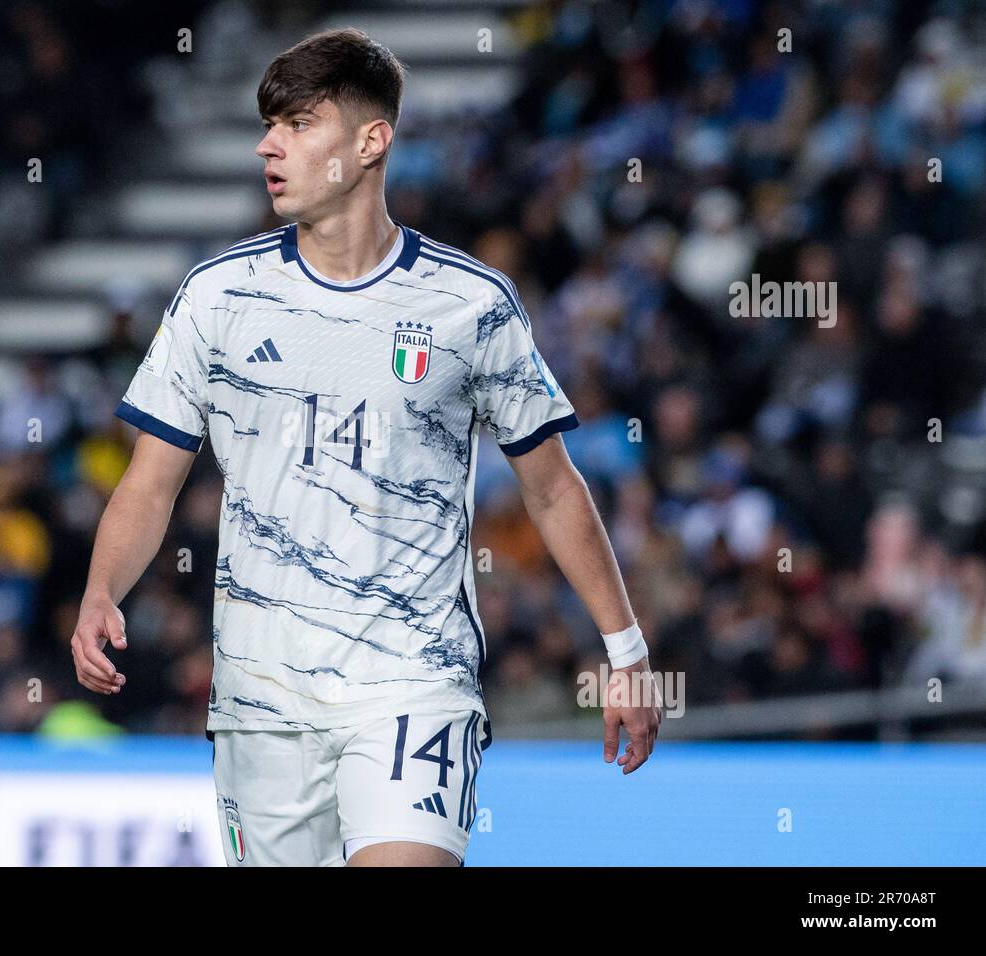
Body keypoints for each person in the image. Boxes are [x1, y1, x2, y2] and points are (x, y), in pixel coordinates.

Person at [71, 28, 660, 867]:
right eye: (269, 125)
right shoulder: (218, 298)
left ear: (371, 141)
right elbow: (149, 483)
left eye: (300, 124)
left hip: (414, 682)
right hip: (259, 698)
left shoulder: (470, 305)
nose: (268, 146)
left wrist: (625, 652)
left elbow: (554, 489)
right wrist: (101, 592)